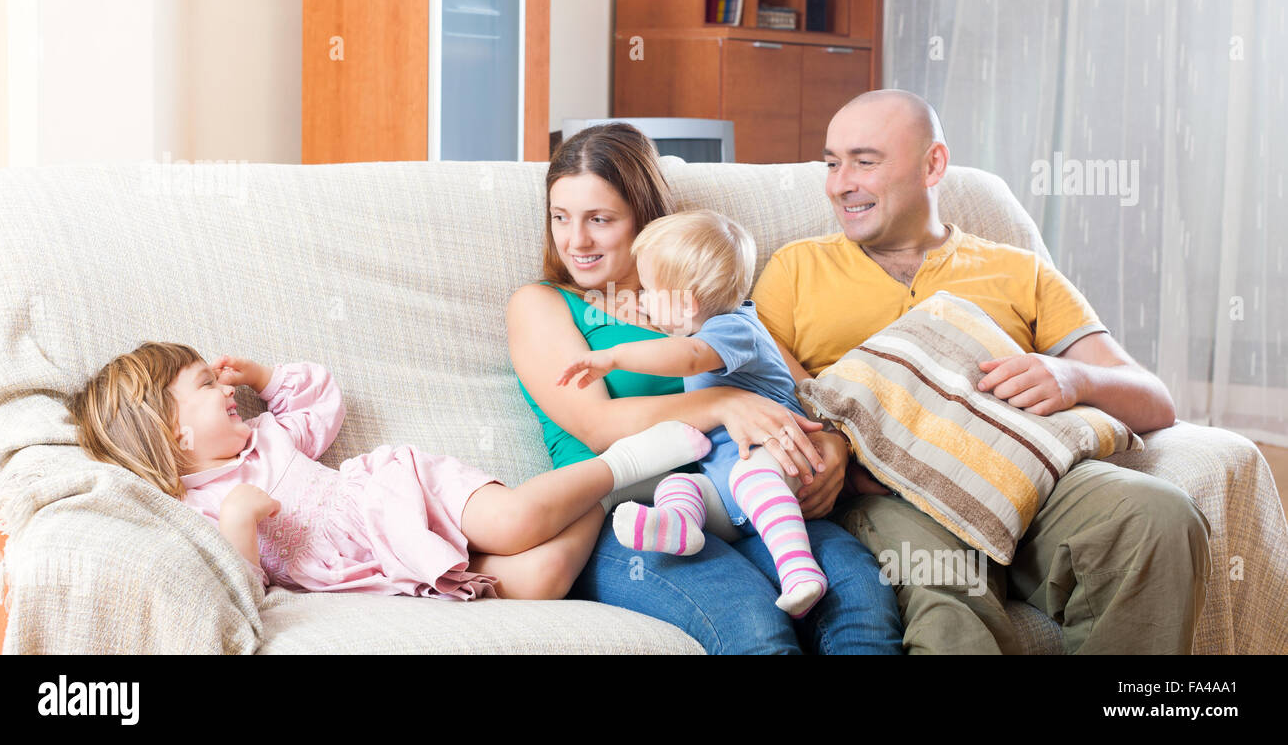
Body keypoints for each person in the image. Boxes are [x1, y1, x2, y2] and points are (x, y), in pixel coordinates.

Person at [751, 89, 1211, 654]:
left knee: (1159, 516)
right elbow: (781, 394)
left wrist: (1074, 379)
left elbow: (1154, 401)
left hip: (1020, 478)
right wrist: (845, 444)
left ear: (933, 164)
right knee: (947, 592)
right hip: (887, 494)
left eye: (864, 162)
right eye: (831, 163)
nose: (839, 183)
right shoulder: (795, 269)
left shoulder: (1018, 271)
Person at [506, 122, 902, 653]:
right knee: (754, 625)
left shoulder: (713, 304)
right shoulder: (543, 304)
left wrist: (832, 447)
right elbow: (601, 429)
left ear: (644, 219)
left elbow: (807, 393)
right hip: (628, 514)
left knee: (859, 597)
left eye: (599, 220)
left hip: (746, 495)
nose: (576, 241)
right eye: (560, 217)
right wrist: (724, 402)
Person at [68, 342, 711, 600]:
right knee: (539, 578)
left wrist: (266, 378)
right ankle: (611, 496)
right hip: (389, 562)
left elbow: (320, 401)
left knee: (514, 521)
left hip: (399, 495)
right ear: (171, 429)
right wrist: (239, 518)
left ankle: (623, 459)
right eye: (207, 385)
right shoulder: (193, 509)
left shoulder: (266, 437)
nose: (225, 389)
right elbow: (237, 597)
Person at [558, 209, 828, 617]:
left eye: (649, 291)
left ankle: (799, 571)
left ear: (686, 304)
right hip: (728, 491)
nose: (642, 301)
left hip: (782, 460)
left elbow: (686, 359)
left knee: (752, 473)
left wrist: (612, 357)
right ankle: (680, 526)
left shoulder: (734, 329)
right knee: (679, 485)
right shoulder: (701, 328)